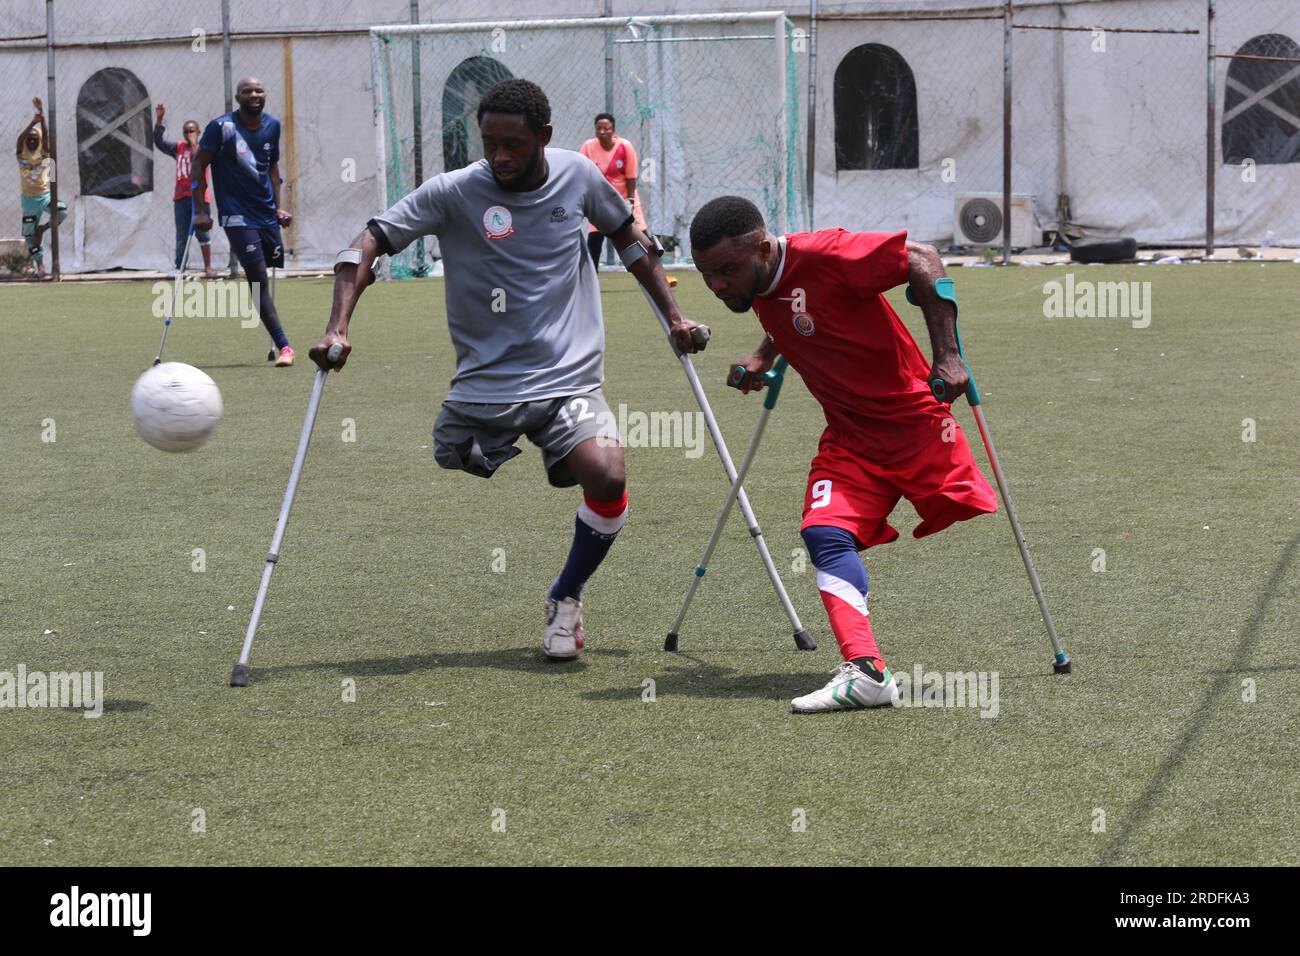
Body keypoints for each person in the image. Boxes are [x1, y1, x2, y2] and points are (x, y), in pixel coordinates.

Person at [309, 79, 706, 660]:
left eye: (513, 144)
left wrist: (674, 315)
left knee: (609, 475)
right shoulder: (454, 191)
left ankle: (565, 597)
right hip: (485, 387)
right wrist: (337, 326)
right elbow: (367, 242)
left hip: (568, 377)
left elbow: (629, 237)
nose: (499, 156)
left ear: (543, 137)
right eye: (489, 142)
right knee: (451, 452)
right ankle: (546, 450)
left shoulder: (578, 176)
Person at [689, 195, 999, 713]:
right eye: (707, 275)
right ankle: (867, 672)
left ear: (763, 248)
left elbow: (922, 259)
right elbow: (795, 311)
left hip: (915, 427)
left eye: (726, 270)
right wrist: (763, 356)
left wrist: (947, 355)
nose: (718, 285)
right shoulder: (761, 281)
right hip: (850, 440)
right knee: (823, 532)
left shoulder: (828, 254)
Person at [191, 76, 295, 366]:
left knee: (268, 271)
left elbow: (272, 168)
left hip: (265, 213)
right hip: (236, 215)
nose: (253, 94)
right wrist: (201, 210)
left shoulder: (273, 125)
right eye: (247, 91)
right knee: (258, 278)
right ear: (237, 98)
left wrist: (277, 208)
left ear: (265, 95)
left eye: (258, 90)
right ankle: (285, 346)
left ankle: (280, 343)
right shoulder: (221, 127)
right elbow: (198, 164)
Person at [153, 103, 216, 277]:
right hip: (181, 197)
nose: (189, 134)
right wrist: (159, 120)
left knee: (202, 232)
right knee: (181, 233)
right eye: (186, 131)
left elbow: (198, 156)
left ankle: (208, 267)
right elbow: (159, 142)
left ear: (198, 132)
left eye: (192, 131)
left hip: (200, 198)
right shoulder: (179, 148)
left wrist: (195, 143)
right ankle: (179, 267)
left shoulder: (204, 148)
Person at [15, 97, 67, 280]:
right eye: (29, 139)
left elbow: (45, 135)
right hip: (28, 200)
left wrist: (42, 118)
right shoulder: (22, 153)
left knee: (61, 211)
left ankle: (42, 230)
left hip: (44, 196)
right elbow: (19, 139)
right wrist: (32, 122)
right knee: (29, 237)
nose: (31, 141)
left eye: (34, 139)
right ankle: (41, 265)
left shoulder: (44, 153)